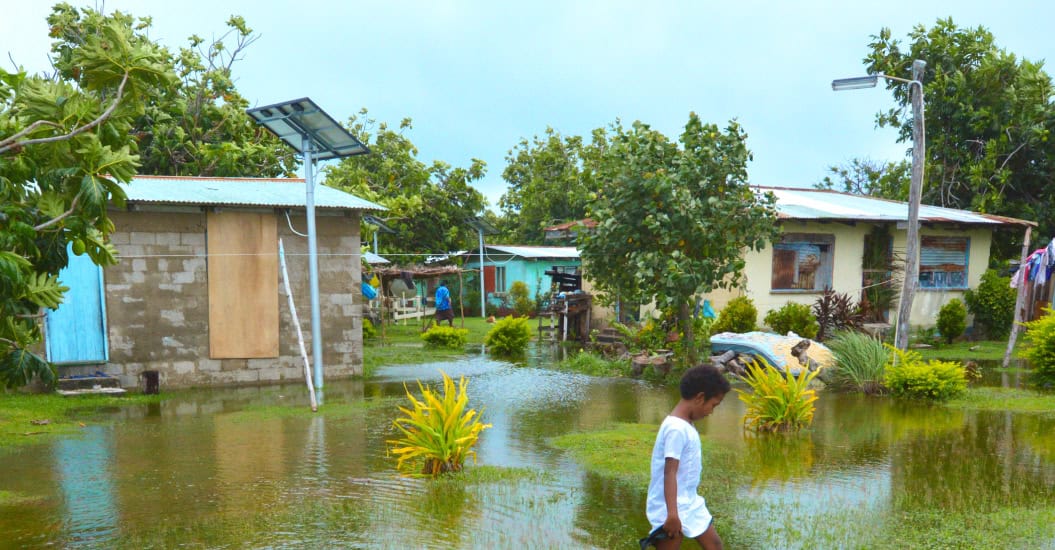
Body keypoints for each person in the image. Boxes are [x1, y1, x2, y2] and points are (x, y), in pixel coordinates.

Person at [643, 365, 730, 550]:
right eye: (713, 405)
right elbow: (670, 472)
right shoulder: (676, 428)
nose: (711, 412)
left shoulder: (685, 425)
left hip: (689, 501)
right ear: (700, 398)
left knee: (715, 545)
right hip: (670, 507)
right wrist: (672, 514)